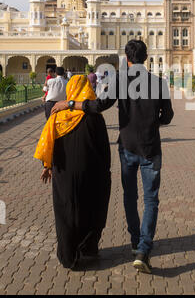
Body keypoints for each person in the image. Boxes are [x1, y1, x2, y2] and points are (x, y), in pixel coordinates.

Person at [51, 40, 174, 274]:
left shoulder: (121, 80)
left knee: (130, 197)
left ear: (127, 59)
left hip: (127, 147)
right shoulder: (160, 83)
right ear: (145, 58)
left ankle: (135, 242)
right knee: (151, 200)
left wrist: (70, 103)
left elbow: (99, 106)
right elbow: (167, 116)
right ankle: (144, 250)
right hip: (150, 149)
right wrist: (152, 123)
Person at [34, 75, 111, 269]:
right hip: (91, 174)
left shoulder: (58, 116)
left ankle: (68, 256)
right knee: (91, 208)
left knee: (66, 212)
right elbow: (104, 150)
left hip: (64, 174)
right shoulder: (94, 117)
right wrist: (105, 172)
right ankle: (88, 249)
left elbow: (48, 143)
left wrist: (47, 166)